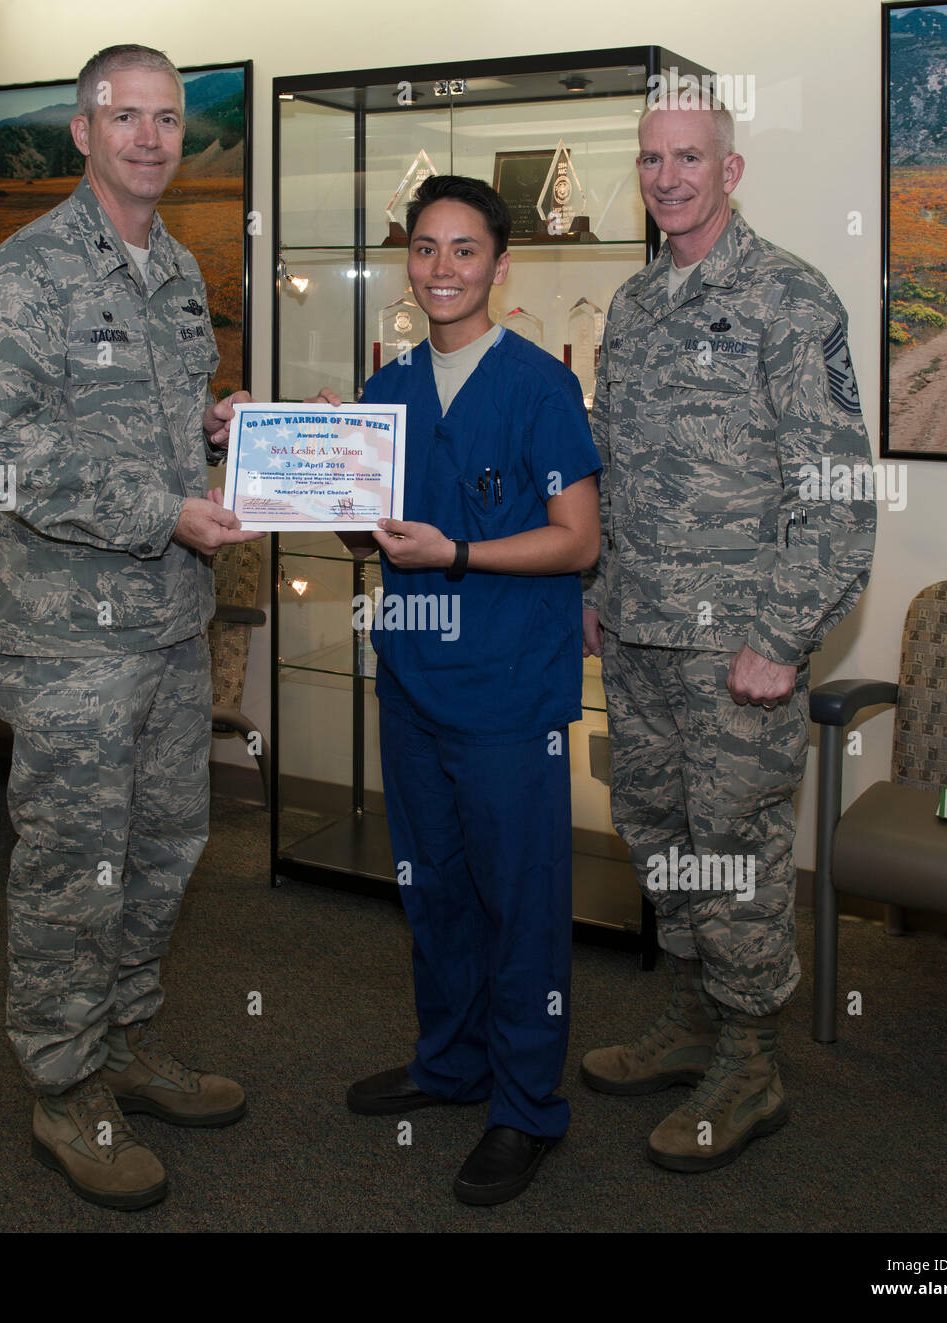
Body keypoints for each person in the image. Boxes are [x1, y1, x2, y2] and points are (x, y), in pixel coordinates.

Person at [0, 44, 262, 1211]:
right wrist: (161, 506)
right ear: (83, 132)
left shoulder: (178, 269)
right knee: (72, 870)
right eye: (123, 117)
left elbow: (142, 421)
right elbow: (4, 446)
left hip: (170, 625)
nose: (149, 137)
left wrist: (216, 422)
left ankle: (125, 1042)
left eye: (167, 120)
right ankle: (60, 1084)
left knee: (163, 850)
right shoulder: (28, 270)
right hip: (72, 640)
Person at [580, 96, 876, 1171]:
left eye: (688, 158)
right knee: (659, 834)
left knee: (737, 850)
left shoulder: (787, 296)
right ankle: (696, 1016)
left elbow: (837, 487)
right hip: (643, 632)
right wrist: (598, 587)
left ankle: (751, 1061)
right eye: (651, 159)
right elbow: (610, 460)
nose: (666, 178)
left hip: (739, 647)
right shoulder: (632, 300)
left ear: (730, 166)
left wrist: (784, 633)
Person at [314, 174, 601, 1205]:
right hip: (412, 677)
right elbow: (371, 536)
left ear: (499, 265)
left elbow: (578, 541)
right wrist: (324, 469)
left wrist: (460, 553)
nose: (442, 268)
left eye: (464, 250)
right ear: (409, 262)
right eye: (425, 248)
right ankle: (452, 1063)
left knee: (518, 905)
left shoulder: (538, 388)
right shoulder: (387, 391)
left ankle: (527, 1106)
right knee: (430, 890)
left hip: (508, 695)